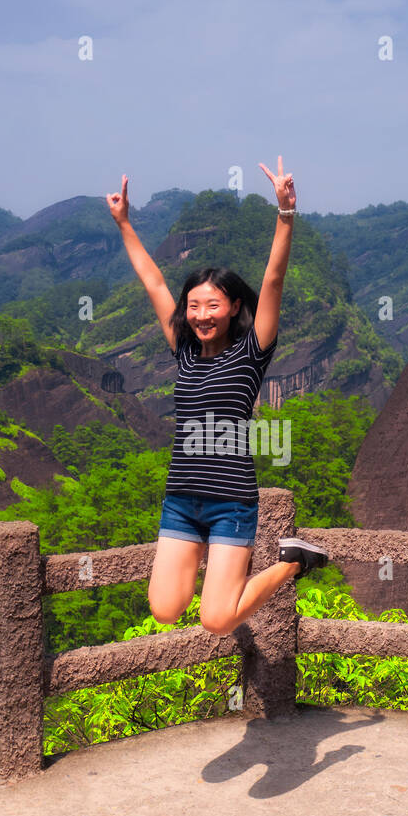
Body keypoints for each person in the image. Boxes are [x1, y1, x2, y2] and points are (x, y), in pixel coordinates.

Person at [105, 157, 329, 635]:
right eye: (194, 306)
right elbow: (154, 281)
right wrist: (125, 223)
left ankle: (293, 562)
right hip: (182, 499)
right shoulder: (184, 351)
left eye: (213, 304)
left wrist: (285, 213)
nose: (202, 313)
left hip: (230, 501)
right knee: (164, 610)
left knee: (218, 620)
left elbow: (272, 281)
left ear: (232, 308)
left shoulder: (252, 352)